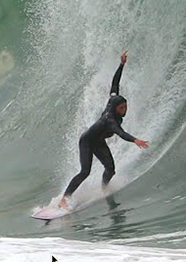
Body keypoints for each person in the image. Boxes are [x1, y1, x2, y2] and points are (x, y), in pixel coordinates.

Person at [59, 50, 149, 209]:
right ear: (116, 108)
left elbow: (115, 83)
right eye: (122, 108)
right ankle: (65, 198)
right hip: (87, 141)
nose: (124, 109)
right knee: (85, 171)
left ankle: (103, 188)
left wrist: (121, 65)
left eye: (125, 106)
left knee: (110, 169)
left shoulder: (112, 100)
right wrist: (135, 140)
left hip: (98, 141)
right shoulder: (110, 120)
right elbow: (120, 133)